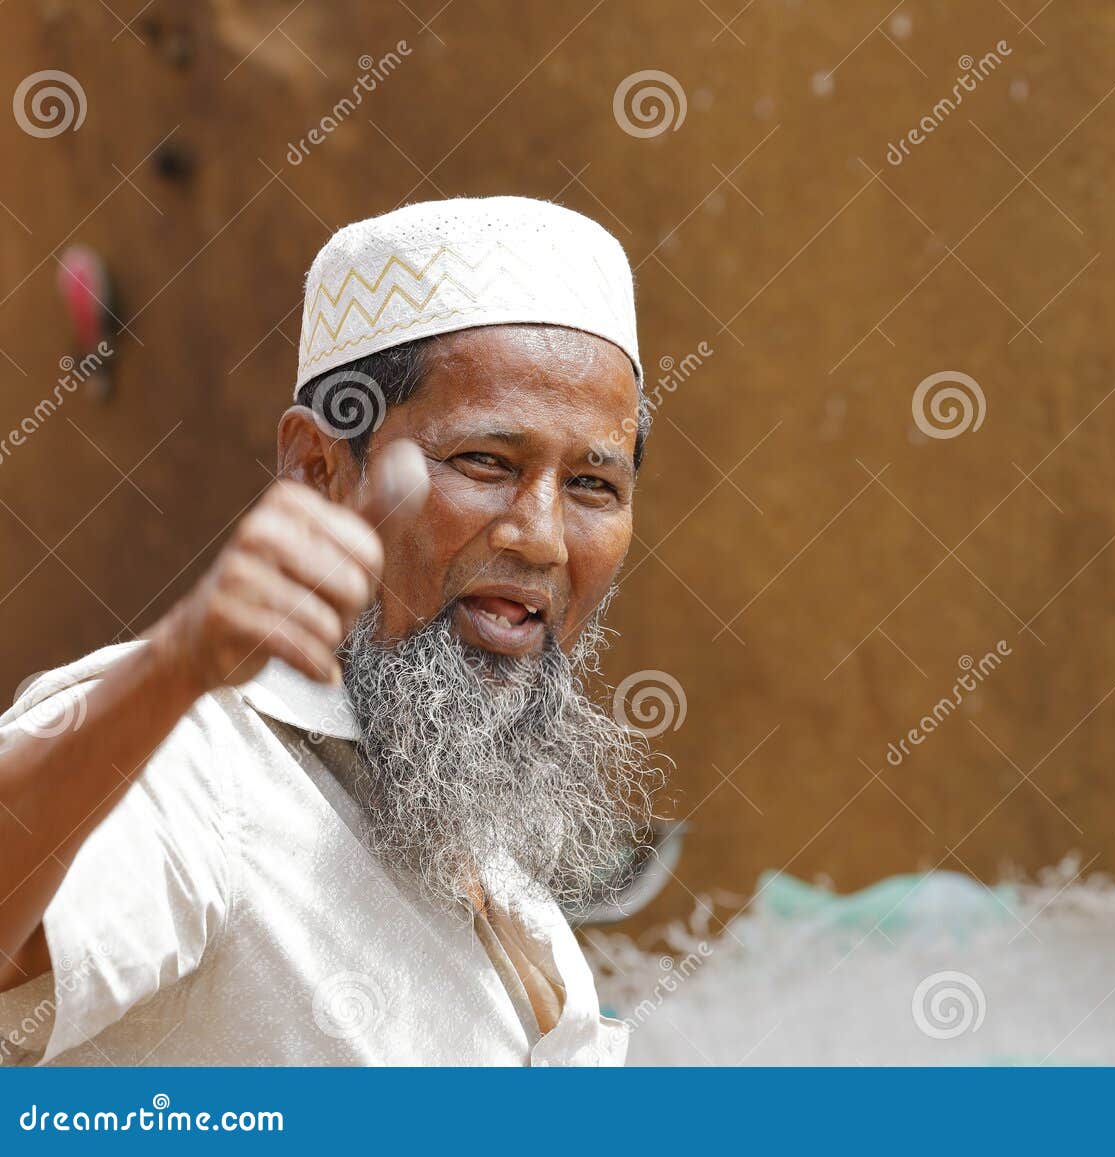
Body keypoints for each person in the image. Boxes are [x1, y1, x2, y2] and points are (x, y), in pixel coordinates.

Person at [0, 196, 661, 1065]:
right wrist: (170, 670)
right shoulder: (192, 761)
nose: (539, 536)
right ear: (318, 468)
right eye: (486, 463)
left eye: (592, 486)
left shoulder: (472, 831)